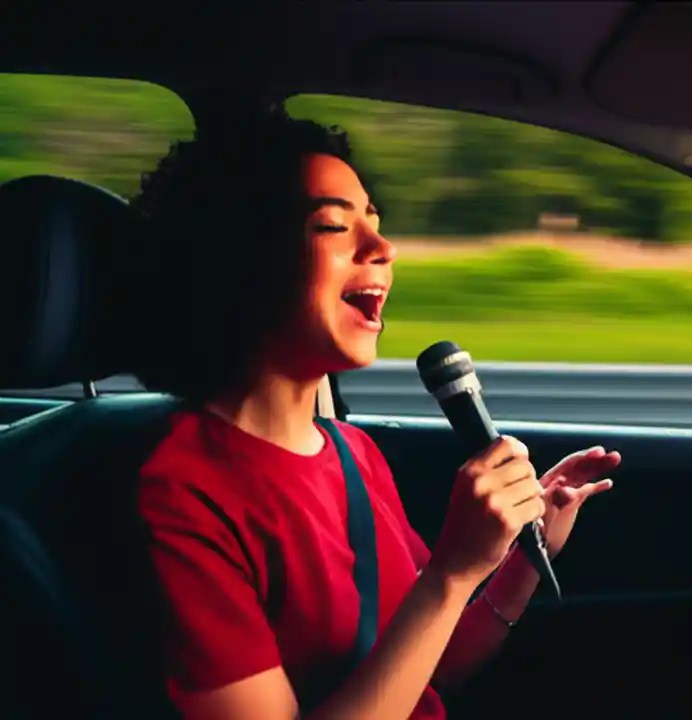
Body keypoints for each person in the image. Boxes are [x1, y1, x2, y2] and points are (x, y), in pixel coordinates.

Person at [126, 109, 621, 719]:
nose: (383, 249)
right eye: (334, 226)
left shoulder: (351, 453)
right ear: (238, 260)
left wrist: (518, 555)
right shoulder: (182, 493)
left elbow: (431, 667)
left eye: (376, 224)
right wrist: (452, 574)